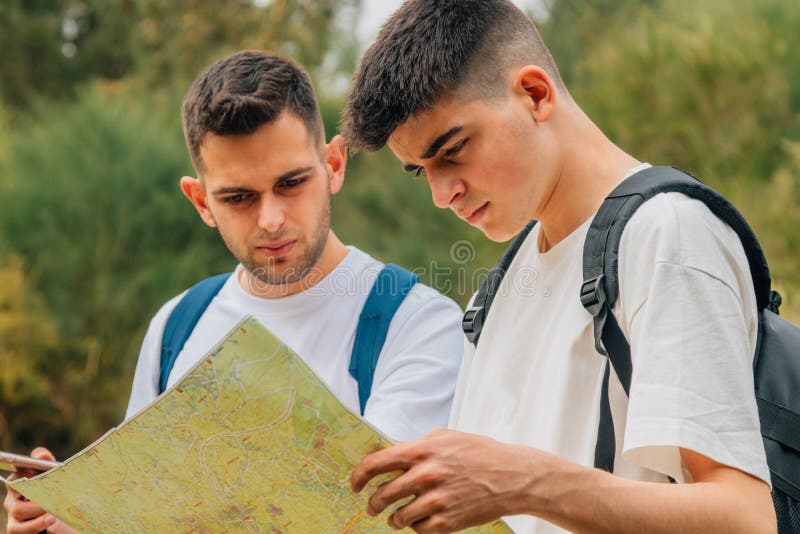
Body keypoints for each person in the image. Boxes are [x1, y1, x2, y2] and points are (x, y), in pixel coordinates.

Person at [341, 1, 777, 533]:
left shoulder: (666, 234)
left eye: (453, 150)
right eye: (420, 172)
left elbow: (745, 519)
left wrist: (528, 483)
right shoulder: (494, 293)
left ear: (534, 94)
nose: (441, 193)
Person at [4, 50, 464, 534]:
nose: (270, 219)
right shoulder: (177, 326)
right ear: (201, 201)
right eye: (238, 197)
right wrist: (69, 522)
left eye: (291, 183)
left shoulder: (418, 325)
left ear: (333, 164)